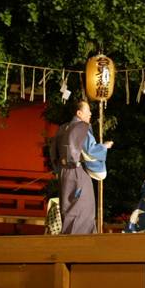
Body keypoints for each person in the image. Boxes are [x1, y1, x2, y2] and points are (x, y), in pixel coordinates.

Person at [49, 100, 112, 234]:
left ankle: (70, 241)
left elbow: (53, 152)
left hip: (63, 173)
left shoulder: (63, 128)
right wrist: (104, 147)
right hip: (77, 173)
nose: (90, 114)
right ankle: (81, 246)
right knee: (83, 209)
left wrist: (58, 170)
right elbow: (91, 151)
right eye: (87, 110)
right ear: (79, 113)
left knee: (68, 209)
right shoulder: (80, 127)